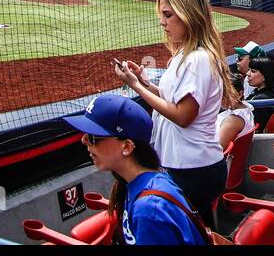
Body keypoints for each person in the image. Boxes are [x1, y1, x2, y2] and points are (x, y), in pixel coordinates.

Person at [112, 0, 233, 228]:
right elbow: (173, 102)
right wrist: (144, 83)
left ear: (188, 14)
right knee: (197, 231)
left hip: (192, 168)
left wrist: (135, 87)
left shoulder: (197, 59)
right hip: (191, 164)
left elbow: (183, 116)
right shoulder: (186, 55)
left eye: (168, 15)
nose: (162, 22)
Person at [65, 94, 207, 245]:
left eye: (93, 137)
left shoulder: (149, 210)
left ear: (126, 146)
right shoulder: (143, 181)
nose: (84, 140)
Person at [245, 58, 274, 130]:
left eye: (253, 71)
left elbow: (254, 128)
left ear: (265, 76)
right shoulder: (272, 91)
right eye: (249, 70)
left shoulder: (260, 100)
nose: (247, 74)